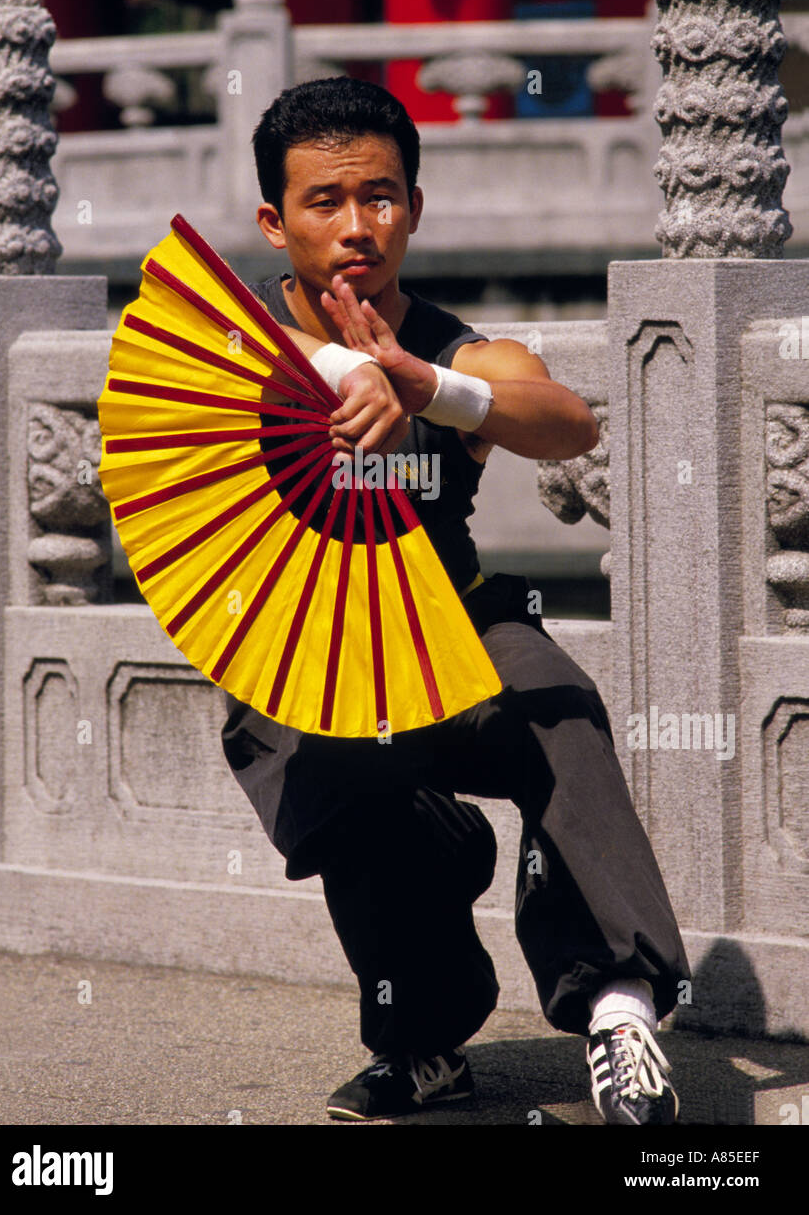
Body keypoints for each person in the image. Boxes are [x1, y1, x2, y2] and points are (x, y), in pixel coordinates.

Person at [220, 76, 691, 1125]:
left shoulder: (449, 346)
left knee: (555, 702)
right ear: (273, 219)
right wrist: (315, 377)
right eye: (325, 202)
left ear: (414, 208)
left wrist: (429, 388)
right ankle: (422, 1038)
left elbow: (566, 421)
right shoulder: (223, 347)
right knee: (330, 763)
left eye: (381, 197)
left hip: (460, 626)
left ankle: (621, 1008)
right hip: (309, 648)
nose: (357, 228)